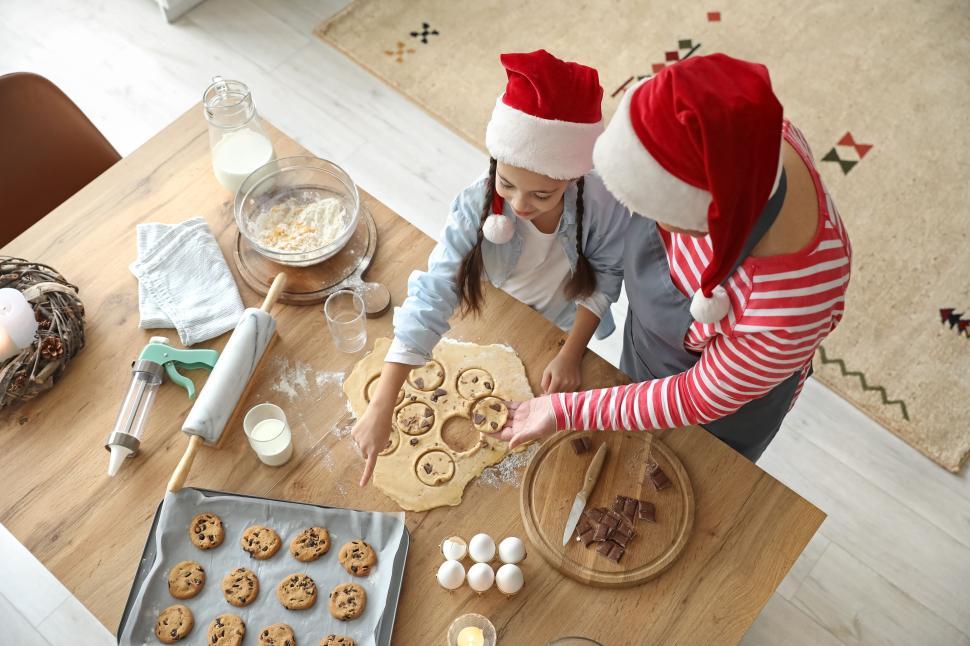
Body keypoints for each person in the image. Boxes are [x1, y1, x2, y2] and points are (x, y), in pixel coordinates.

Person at [499, 53, 852, 462]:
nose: (645, 224)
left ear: (707, 226)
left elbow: (694, 396)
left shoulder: (787, 311)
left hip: (712, 416)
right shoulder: (746, 129)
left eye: (657, 217)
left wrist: (564, 410)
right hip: (653, 347)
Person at [352, 50, 629, 485]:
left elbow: (608, 274)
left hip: (561, 319)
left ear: (573, 179)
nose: (519, 204)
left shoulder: (603, 204)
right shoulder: (472, 206)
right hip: (501, 306)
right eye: (507, 183)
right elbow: (435, 291)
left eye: (543, 195)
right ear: (495, 161)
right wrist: (383, 402)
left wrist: (571, 352)